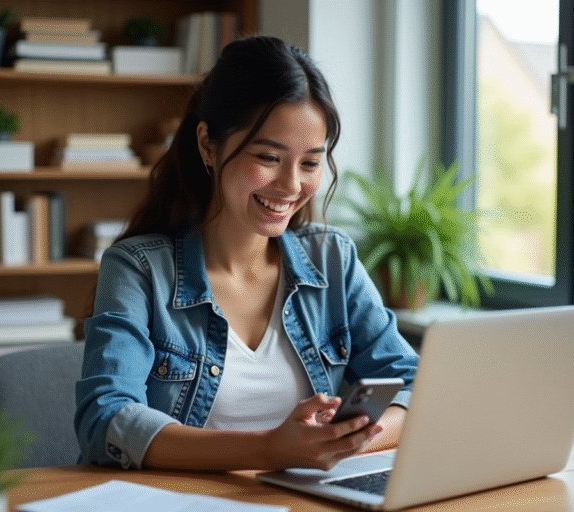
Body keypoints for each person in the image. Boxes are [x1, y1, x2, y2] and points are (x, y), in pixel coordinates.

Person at [74, 35, 419, 472]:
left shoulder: (333, 259)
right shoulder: (138, 269)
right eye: (269, 157)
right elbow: (106, 419)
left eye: (310, 163)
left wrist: (337, 445)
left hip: (302, 499)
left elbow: (414, 384)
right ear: (207, 145)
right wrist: (269, 450)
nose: (291, 185)